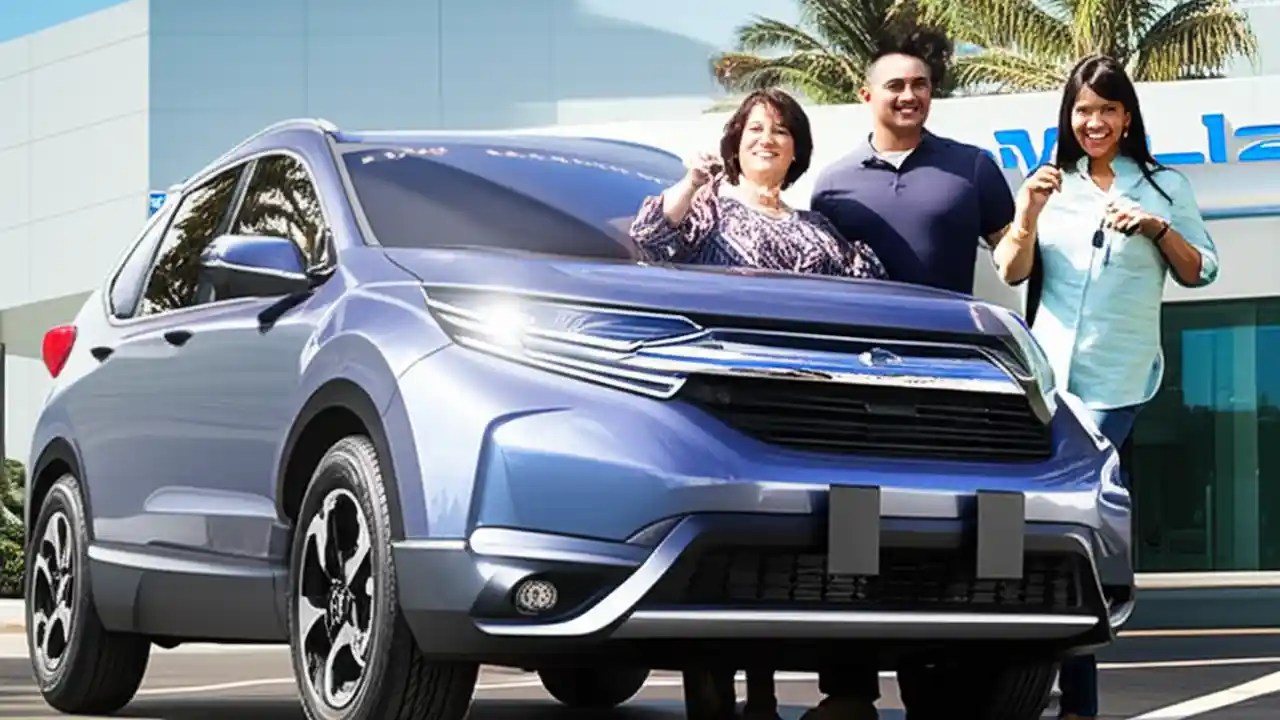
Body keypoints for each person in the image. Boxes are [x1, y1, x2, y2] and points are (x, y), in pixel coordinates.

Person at [629, 87, 887, 720]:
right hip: (727, 409)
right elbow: (649, 239)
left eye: (780, 130)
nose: (766, 139)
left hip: (819, 416)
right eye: (754, 129)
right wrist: (691, 182)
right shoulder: (709, 211)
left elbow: (871, 294)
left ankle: (849, 694)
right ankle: (737, 702)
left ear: (796, 149)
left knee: (845, 542)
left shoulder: (818, 229)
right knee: (731, 551)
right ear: (735, 145)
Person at [991, 54, 1220, 720]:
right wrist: (1028, 209)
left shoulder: (1162, 184)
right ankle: (1051, 687)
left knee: (1079, 530)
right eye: (1083, 110)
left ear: (1127, 117)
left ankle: (1078, 703)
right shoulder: (1047, 184)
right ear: (1068, 117)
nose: (1094, 122)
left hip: (1118, 384)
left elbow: (1202, 271)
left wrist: (1156, 227)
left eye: (1108, 110)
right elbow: (1010, 269)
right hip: (1050, 384)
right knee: (1060, 534)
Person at [810, 28, 1016, 295]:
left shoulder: (974, 167)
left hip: (949, 334)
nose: (909, 96)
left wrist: (1027, 222)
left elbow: (1015, 268)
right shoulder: (833, 184)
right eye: (895, 86)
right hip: (865, 335)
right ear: (866, 95)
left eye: (919, 84)